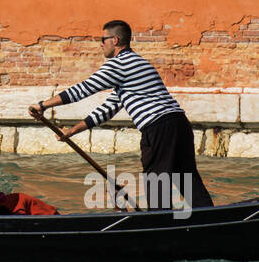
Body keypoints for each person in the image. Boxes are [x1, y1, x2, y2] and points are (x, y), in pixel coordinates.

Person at [30, 19, 214, 210]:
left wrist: (43, 105)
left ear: (115, 40)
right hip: (179, 123)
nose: (100, 44)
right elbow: (108, 109)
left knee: (158, 184)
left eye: (103, 39)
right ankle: (211, 218)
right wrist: (72, 131)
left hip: (158, 128)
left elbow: (83, 89)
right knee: (187, 178)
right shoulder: (138, 64)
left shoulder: (118, 65)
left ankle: (159, 227)